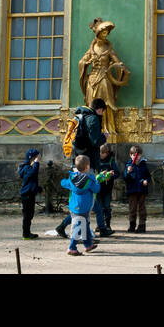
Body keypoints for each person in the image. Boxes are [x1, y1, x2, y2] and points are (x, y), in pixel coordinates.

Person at [57, 98, 110, 238]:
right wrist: (104, 137)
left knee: (88, 199)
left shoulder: (79, 116)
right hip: (87, 163)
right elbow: (95, 141)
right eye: (103, 111)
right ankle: (81, 235)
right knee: (88, 200)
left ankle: (101, 228)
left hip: (78, 160)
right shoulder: (92, 119)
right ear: (100, 109)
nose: (102, 113)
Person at [61, 154, 100, 256]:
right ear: (87, 167)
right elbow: (96, 189)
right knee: (79, 226)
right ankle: (72, 247)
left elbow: (63, 183)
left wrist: (68, 178)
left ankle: (88, 244)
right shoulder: (89, 180)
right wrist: (96, 180)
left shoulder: (72, 178)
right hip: (84, 207)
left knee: (84, 224)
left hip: (74, 207)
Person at [95, 144, 122, 234]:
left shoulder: (111, 161)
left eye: (103, 153)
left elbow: (117, 173)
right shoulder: (96, 161)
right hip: (98, 189)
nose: (101, 154)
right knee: (99, 208)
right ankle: (100, 225)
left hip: (107, 189)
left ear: (107, 153)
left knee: (106, 207)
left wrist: (111, 175)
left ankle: (107, 225)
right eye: (99, 152)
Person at [124, 145, 151, 233]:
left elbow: (148, 176)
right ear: (130, 155)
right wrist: (128, 172)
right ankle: (132, 225)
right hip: (132, 191)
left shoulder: (143, 165)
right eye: (134, 155)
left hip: (142, 190)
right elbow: (125, 178)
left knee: (142, 208)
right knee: (132, 208)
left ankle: (142, 225)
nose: (136, 157)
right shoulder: (128, 165)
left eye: (138, 155)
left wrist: (146, 180)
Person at [18, 149, 41, 240]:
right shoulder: (26, 168)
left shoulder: (29, 167)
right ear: (32, 158)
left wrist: (38, 189)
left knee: (30, 214)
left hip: (30, 194)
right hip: (26, 195)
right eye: (36, 158)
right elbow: (33, 173)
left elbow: (31, 181)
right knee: (27, 215)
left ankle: (27, 232)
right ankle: (26, 234)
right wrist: (36, 163)